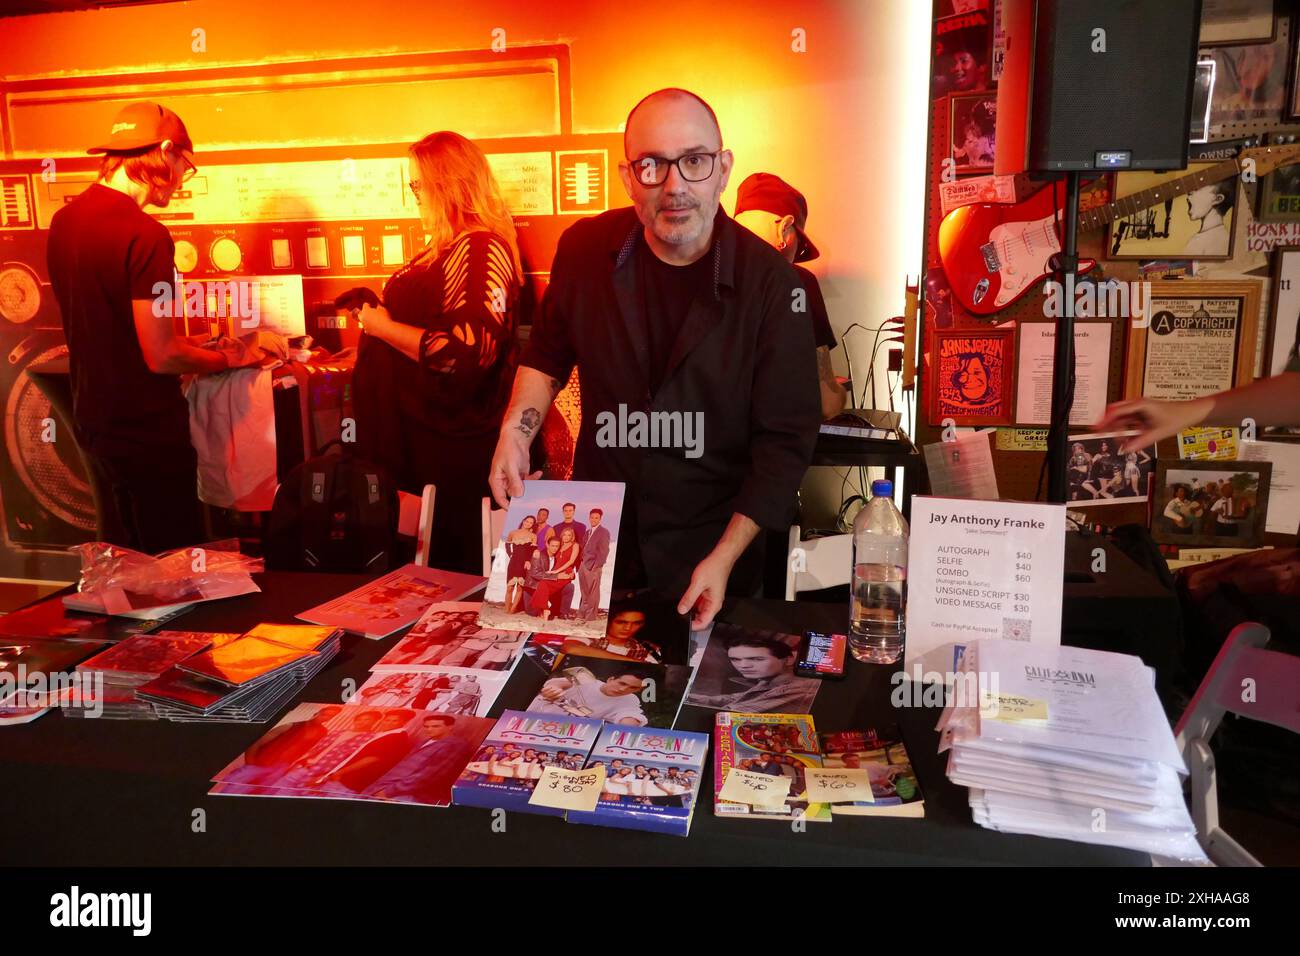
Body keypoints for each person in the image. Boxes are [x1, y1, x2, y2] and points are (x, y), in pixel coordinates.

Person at [489, 88, 820, 627]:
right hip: (598, 542)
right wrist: (515, 430)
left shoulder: (773, 285)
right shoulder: (584, 250)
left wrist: (725, 557)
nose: (675, 187)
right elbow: (547, 354)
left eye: (693, 162)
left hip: (712, 557)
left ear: (722, 169)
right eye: (652, 165)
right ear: (627, 177)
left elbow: (784, 446)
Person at [46, 102, 259, 554]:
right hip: (147, 433)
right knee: (172, 568)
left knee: (125, 565)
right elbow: (160, 354)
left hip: (96, 425)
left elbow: (114, 329)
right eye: (185, 163)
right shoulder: (146, 235)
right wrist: (228, 358)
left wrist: (199, 342)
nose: (182, 178)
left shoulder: (66, 222)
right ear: (165, 151)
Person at [351, 131, 523, 574]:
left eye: (417, 186)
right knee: (428, 580)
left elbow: (465, 354)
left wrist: (383, 328)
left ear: (446, 185)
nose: (415, 198)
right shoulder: (450, 247)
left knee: (454, 579)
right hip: (423, 445)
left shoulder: (480, 247)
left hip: (455, 453)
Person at [732, 173, 844, 420]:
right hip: (768, 452)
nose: (797, 253)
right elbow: (825, 404)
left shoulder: (697, 271)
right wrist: (840, 395)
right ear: (784, 228)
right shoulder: (797, 282)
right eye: (800, 245)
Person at [688, 632, 818, 712]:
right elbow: (733, 699)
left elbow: (732, 711)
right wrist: (688, 697)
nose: (743, 666)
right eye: (735, 659)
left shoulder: (799, 689)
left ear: (788, 660)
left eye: (757, 659)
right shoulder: (768, 681)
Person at [532, 667, 649, 725]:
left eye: (633, 688)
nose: (623, 689)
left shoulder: (630, 699)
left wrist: (629, 723)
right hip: (532, 714)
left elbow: (631, 716)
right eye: (622, 683)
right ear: (610, 679)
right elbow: (557, 683)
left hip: (563, 729)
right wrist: (554, 689)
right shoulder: (587, 679)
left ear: (638, 690)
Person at [529, 526, 580, 620]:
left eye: (569, 535)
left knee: (545, 584)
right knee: (543, 583)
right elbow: (548, 550)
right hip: (554, 573)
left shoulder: (575, 545)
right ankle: (545, 609)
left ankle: (545, 610)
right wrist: (536, 550)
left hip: (565, 573)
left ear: (572, 536)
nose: (566, 537)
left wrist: (557, 571)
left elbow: (571, 561)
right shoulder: (559, 545)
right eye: (564, 534)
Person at [1183, 181, 1236, 257]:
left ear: (1217, 199)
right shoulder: (1221, 237)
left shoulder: (1220, 241)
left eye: (1197, 188)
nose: (1189, 192)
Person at [578, 507, 611, 621]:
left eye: (596, 518)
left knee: (593, 592)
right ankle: (581, 614)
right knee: (584, 591)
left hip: (593, 566)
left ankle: (590, 616)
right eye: (592, 517)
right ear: (589, 517)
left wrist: (596, 565)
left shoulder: (603, 532)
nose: (593, 519)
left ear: (600, 519)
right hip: (583, 564)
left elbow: (604, 551)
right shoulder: (588, 532)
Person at [504, 516, 538, 614]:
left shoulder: (533, 536)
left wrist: (528, 561)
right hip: (513, 562)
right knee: (510, 587)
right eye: (527, 521)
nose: (528, 523)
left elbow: (531, 551)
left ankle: (512, 610)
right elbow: (507, 545)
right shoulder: (513, 532)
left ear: (532, 525)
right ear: (523, 521)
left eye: (530, 522)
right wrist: (510, 555)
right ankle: (507, 610)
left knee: (520, 587)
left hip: (524, 563)